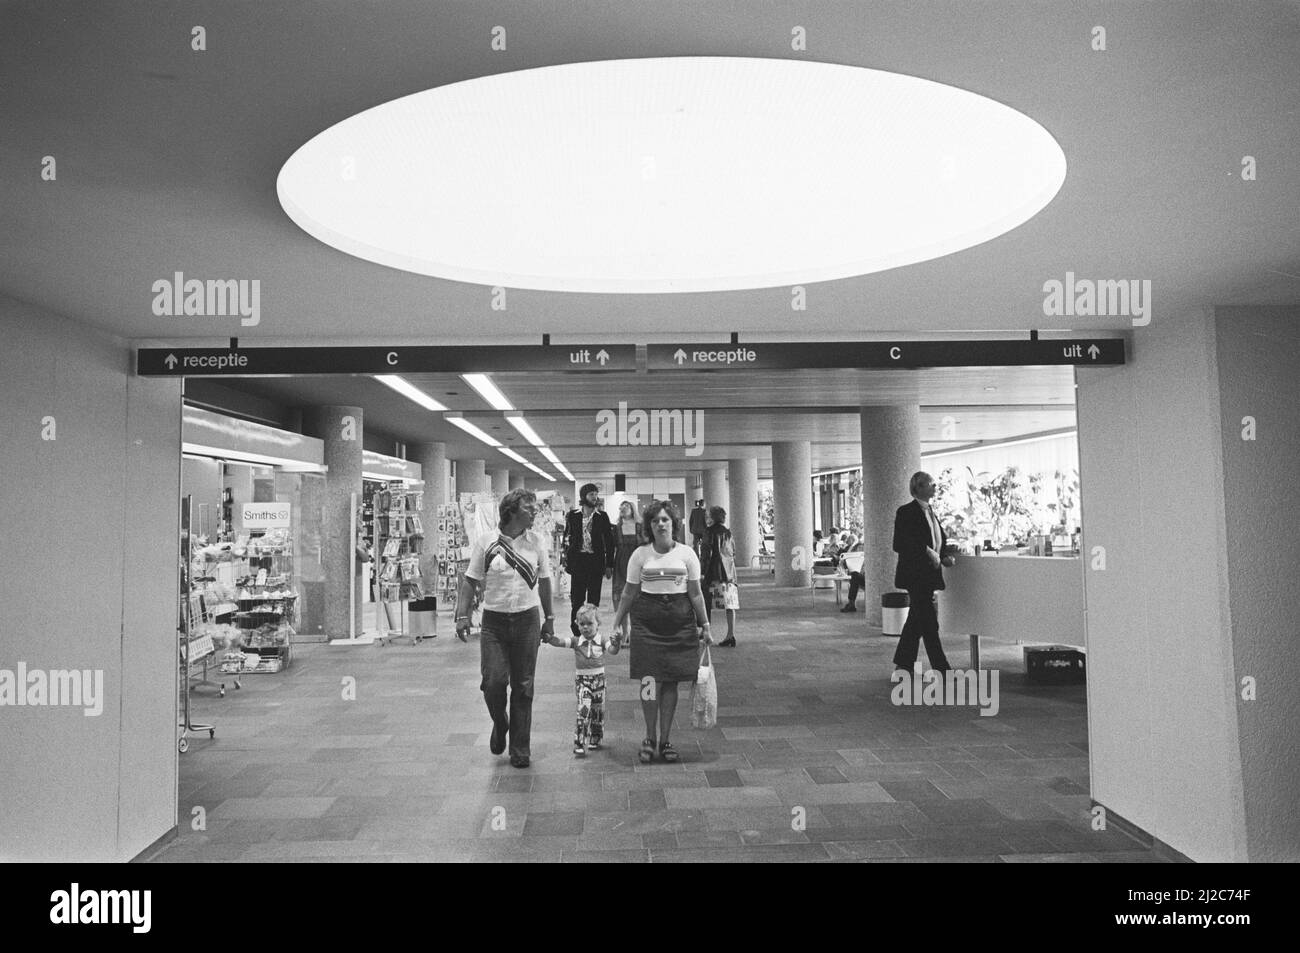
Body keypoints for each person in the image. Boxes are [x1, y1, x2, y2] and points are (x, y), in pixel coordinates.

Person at [454, 489, 556, 769]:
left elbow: (545, 581)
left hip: (527, 620)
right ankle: (501, 722)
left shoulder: (537, 542)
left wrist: (549, 618)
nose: (535, 511)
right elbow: (470, 580)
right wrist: (462, 615)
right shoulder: (487, 542)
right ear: (511, 510)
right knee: (494, 682)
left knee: (523, 686)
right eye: (529, 507)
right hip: (494, 623)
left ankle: (520, 748)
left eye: (535, 507)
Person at [611, 500, 713, 764]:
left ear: (674, 524)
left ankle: (665, 739)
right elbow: (629, 592)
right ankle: (649, 737)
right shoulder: (640, 555)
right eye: (655, 520)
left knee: (670, 681)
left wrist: (705, 625)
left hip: (679, 623)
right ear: (649, 526)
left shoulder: (688, 554)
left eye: (665, 519)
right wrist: (617, 623)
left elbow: (695, 593)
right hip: (647, 622)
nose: (660, 524)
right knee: (648, 681)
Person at [890, 471, 956, 673]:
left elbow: (937, 541)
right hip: (915, 576)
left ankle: (903, 664)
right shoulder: (906, 512)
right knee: (929, 623)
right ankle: (941, 668)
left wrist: (942, 554)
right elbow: (900, 543)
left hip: (929, 576)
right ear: (918, 488)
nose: (935, 487)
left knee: (916, 620)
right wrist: (927, 551)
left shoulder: (931, 512)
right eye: (931, 484)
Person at [546, 602, 621, 757]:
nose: (585, 627)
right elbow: (560, 642)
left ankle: (596, 736)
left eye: (589, 624)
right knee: (583, 709)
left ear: (598, 624)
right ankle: (579, 741)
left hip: (599, 681)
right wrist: (549, 638)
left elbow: (613, 651)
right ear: (577, 625)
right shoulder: (576, 641)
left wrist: (617, 642)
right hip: (583, 682)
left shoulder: (602, 640)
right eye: (582, 624)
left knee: (597, 711)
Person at [562, 482, 615, 639]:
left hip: (595, 561)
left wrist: (609, 564)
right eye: (592, 494)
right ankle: (577, 630)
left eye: (596, 494)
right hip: (578, 561)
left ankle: (592, 629)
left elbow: (610, 542)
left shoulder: (602, 517)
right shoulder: (573, 515)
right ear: (584, 496)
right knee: (576, 598)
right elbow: (567, 538)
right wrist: (566, 560)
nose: (595, 497)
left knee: (593, 599)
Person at [699, 505, 738, 647]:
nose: (706, 517)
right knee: (730, 605)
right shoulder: (728, 532)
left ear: (712, 517)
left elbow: (706, 553)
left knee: (705, 603)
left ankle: (705, 631)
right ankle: (731, 635)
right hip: (729, 573)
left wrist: (702, 572)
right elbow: (733, 552)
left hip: (713, 573)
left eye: (708, 515)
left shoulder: (708, 532)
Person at [610, 499, 644, 634]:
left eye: (627, 505)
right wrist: (609, 566)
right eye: (622, 506)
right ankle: (624, 632)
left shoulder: (640, 526)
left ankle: (636, 631)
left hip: (637, 564)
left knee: (638, 599)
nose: (624, 507)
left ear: (632, 508)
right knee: (621, 598)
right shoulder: (616, 527)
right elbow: (612, 547)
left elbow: (645, 545)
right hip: (621, 565)